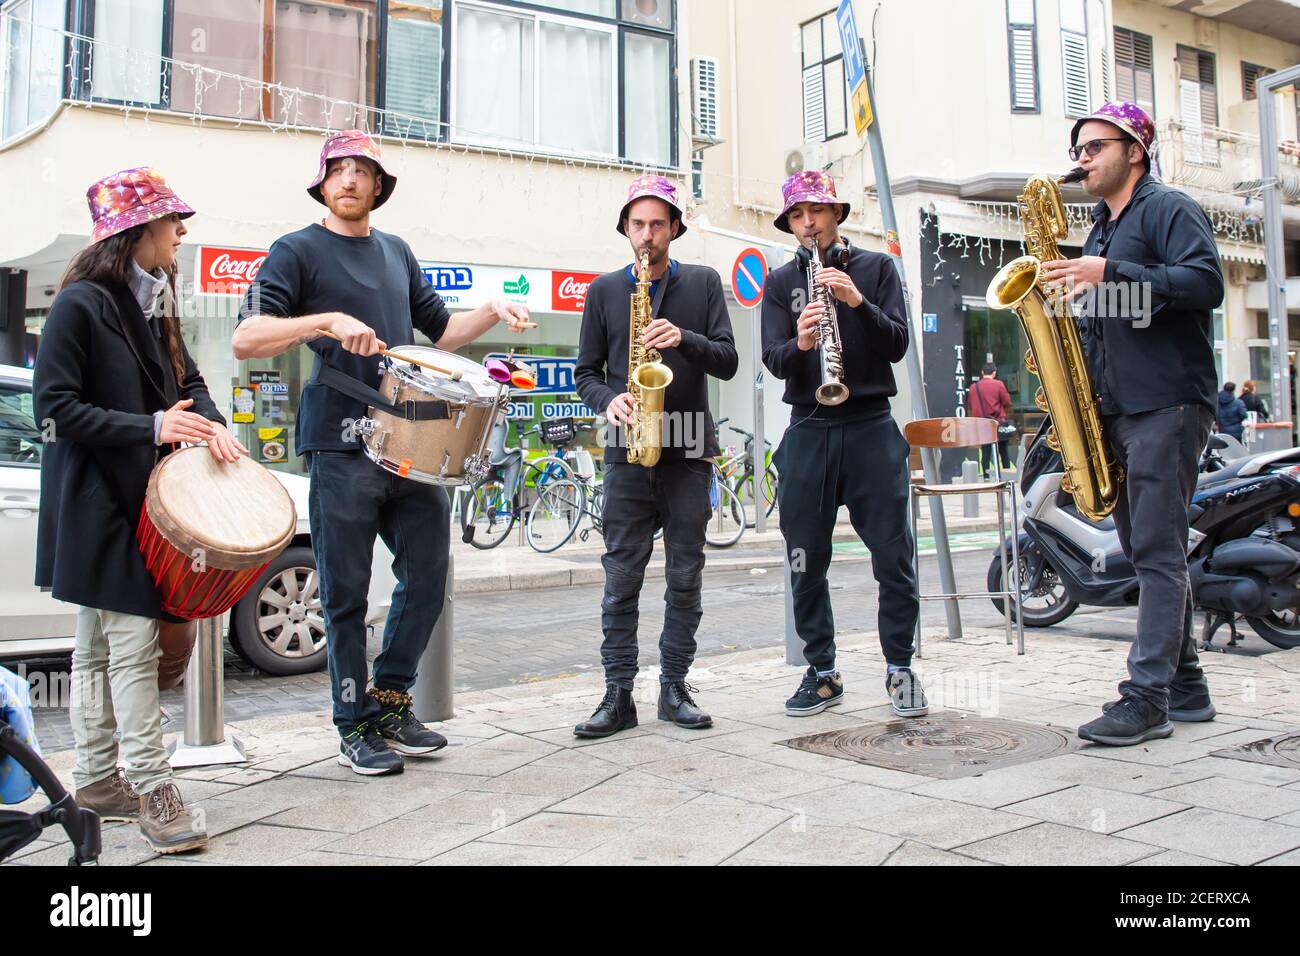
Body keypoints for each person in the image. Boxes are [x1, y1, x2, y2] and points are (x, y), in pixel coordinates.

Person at [233, 131, 533, 775]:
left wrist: (490, 310)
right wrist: (325, 321)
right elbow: (247, 336)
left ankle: (392, 699)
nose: (347, 180)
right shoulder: (296, 251)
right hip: (341, 440)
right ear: (323, 183)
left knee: (427, 577)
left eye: (361, 171)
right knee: (344, 591)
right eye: (337, 170)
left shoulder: (396, 251)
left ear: (378, 186)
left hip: (413, 434)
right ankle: (352, 723)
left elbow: (441, 331)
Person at [35, 167, 246, 853]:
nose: (182, 234)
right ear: (136, 231)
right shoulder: (80, 304)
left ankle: (97, 780)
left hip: (138, 499)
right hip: (96, 500)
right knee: (128, 648)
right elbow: (56, 411)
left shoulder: (153, 301)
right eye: (171, 222)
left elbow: (189, 382)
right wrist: (154, 428)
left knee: (96, 649)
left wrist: (211, 425)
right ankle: (156, 792)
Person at [1040, 102, 1224, 745]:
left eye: (1093, 148)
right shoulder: (1098, 229)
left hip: (1167, 402)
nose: (1081, 160)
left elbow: (1205, 285)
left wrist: (1108, 272)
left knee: (1155, 551)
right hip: (1117, 409)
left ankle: (1145, 698)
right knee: (1151, 549)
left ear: (1134, 150)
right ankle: (1189, 686)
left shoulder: (1168, 207)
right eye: (1079, 150)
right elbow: (1122, 312)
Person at [572, 175, 738, 738]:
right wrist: (608, 399)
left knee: (686, 576)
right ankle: (618, 694)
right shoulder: (601, 292)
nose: (647, 235)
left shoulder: (705, 283)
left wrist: (684, 338)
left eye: (658, 225)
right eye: (638, 224)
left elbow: (728, 360)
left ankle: (674, 687)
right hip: (626, 448)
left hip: (689, 445)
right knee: (621, 577)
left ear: (674, 230)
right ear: (626, 228)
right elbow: (585, 375)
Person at [761, 171, 927, 719]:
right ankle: (822, 671)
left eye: (817, 212)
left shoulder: (877, 269)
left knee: (893, 555)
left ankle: (900, 668)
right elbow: (774, 360)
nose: (807, 223)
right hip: (808, 428)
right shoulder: (780, 281)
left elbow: (898, 344)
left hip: (872, 426)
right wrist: (803, 340)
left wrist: (856, 302)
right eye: (797, 216)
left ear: (837, 213)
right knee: (805, 558)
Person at [968, 363, 1013, 478]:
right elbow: (1007, 403)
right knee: (1004, 452)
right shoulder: (999, 385)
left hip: (982, 424)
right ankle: (1006, 476)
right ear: (994, 373)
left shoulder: (974, 387)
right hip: (998, 423)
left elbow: (971, 405)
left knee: (985, 451)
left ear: (982, 373)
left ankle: (986, 477)